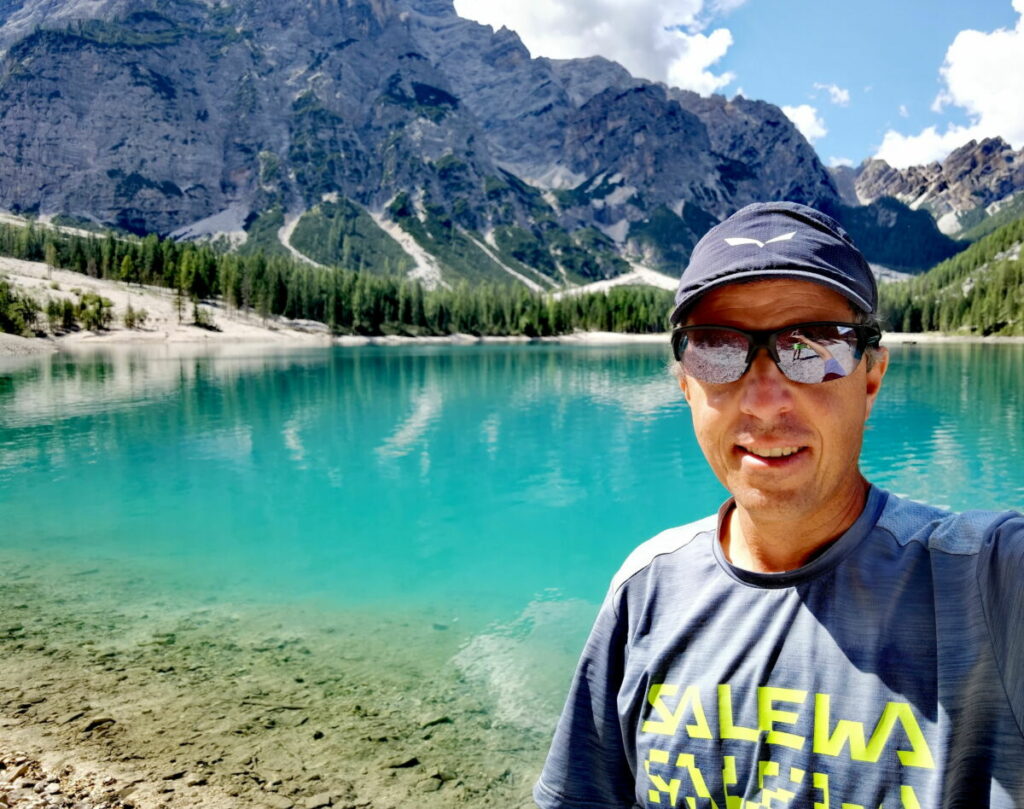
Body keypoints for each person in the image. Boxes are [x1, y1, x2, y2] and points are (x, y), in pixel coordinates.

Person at [534, 202, 1024, 809]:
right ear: (686, 384)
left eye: (813, 344)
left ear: (870, 378)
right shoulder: (647, 589)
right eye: (716, 348)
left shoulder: (989, 582)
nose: (765, 403)